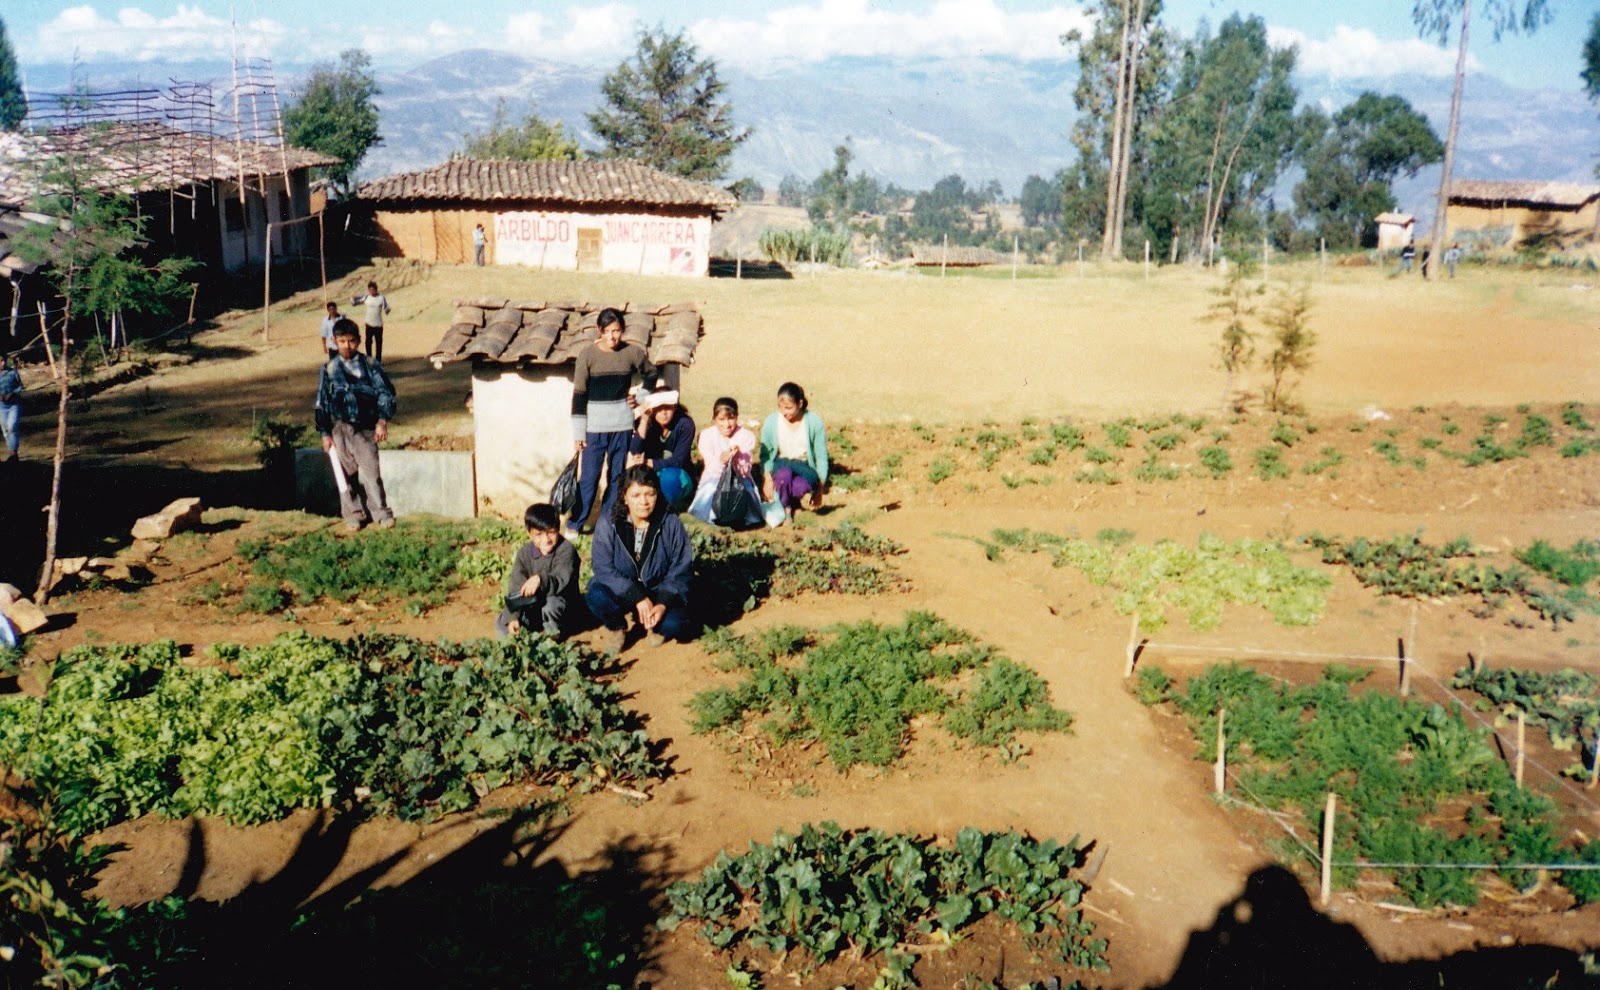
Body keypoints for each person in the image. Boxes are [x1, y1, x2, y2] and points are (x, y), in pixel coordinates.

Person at [584, 465, 693, 654]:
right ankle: (618, 627)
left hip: (658, 589)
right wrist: (636, 596)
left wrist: (662, 603)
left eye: (649, 494)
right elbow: (602, 566)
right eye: (635, 495)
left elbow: (681, 567)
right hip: (623, 589)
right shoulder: (609, 522)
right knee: (596, 595)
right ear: (624, 497)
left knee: (675, 624)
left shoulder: (670, 522)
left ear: (657, 494)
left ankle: (653, 623)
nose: (643, 501)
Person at [569, 307, 657, 537]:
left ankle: (607, 524)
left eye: (616, 331)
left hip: (622, 426)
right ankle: (575, 524)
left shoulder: (632, 353)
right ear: (599, 330)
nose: (612, 337)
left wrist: (639, 397)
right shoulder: (586, 356)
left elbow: (651, 374)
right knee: (588, 478)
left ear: (623, 331)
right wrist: (579, 433)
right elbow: (579, 395)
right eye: (607, 331)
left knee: (617, 478)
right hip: (594, 430)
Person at [315, 318, 397, 531]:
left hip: (366, 429)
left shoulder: (370, 365)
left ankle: (381, 513)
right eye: (342, 341)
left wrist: (382, 421)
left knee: (371, 474)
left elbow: (386, 393)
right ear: (334, 341)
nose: (347, 346)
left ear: (359, 341)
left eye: (351, 341)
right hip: (340, 429)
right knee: (344, 475)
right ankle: (353, 515)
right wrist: (325, 433)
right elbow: (322, 402)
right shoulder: (329, 369)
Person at [496, 503, 580, 638]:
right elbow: (516, 584)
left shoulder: (566, 550)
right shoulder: (524, 553)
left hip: (563, 605)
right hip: (534, 605)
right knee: (503, 621)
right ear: (529, 533)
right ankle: (519, 638)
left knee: (551, 605)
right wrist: (513, 617)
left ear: (558, 529)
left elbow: (560, 580)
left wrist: (540, 579)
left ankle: (554, 637)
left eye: (551, 532)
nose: (546, 539)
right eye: (539, 534)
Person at [688, 397, 761, 528]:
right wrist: (722, 460)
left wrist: (738, 458)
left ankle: (742, 517)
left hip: (739, 479)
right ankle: (714, 516)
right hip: (714, 476)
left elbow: (746, 469)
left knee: (745, 490)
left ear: (737, 417)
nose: (727, 424)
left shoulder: (745, 436)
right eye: (721, 419)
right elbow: (711, 464)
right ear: (714, 419)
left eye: (731, 418)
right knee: (712, 488)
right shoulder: (706, 436)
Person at [759, 381, 829, 521]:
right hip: (781, 464)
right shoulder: (771, 422)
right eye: (780, 407)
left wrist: (820, 489)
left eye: (789, 408)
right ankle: (787, 509)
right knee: (784, 476)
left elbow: (821, 456)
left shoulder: (814, 422)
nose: (784, 412)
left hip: (803, 466)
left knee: (799, 487)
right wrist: (767, 478)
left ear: (800, 404)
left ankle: (789, 499)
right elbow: (765, 455)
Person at [628, 386, 695, 509]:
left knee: (669, 478)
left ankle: (667, 512)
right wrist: (644, 421)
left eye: (668, 408)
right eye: (659, 408)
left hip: (678, 474)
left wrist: (649, 462)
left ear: (675, 407)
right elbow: (635, 450)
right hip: (651, 473)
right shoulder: (647, 422)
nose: (664, 413)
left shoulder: (685, 424)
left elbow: (679, 461)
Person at [351, 280, 391, 363]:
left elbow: (386, 308)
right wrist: (353, 299)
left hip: (378, 325)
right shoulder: (366, 297)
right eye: (370, 290)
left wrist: (387, 310)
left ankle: (378, 362)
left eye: (373, 290)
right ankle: (369, 359)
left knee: (378, 344)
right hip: (369, 324)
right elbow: (355, 303)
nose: (372, 292)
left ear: (376, 289)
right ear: (368, 290)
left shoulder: (381, 297)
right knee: (368, 342)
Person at [0, 352, 21, 463]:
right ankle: (11, 450)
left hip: (13, 405)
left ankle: (14, 451)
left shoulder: (12, 373)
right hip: (1, 406)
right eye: (0, 361)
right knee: (6, 430)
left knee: (12, 426)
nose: (2, 363)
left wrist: (12, 394)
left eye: (4, 361)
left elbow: (20, 386)